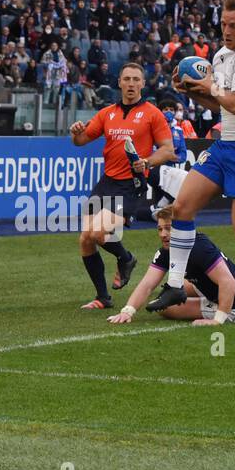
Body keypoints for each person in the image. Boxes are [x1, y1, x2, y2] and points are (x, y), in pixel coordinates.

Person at [149, 0, 235, 332]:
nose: (226, 30)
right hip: (228, 146)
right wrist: (191, 91)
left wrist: (208, 84)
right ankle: (176, 284)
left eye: (234, 25)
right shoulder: (223, 54)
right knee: (182, 207)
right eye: (224, 23)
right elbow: (220, 106)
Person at [69, 62, 175, 309]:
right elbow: (81, 141)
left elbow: (168, 151)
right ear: (119, 82)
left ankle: (126, 258)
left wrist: (146, 161)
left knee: (96, 233)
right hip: (107, 181)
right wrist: (75, 132)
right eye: (126, 79)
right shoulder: (107, 113)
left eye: (136, 79)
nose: (131, 83)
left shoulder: (152, 113)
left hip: (132, 183)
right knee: (85, 239)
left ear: (142, 83)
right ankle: (103, 297)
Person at [106, 207, 235, 327]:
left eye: (168, 228)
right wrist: (127, 311)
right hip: (211, 284)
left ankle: (218, 311)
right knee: (164, 297)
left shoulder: (199, 247)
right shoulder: (165, 251)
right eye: (160, 229)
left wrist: (217, 320)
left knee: (166, 309)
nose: (163, 234)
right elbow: (147, 284)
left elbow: (228, 282)